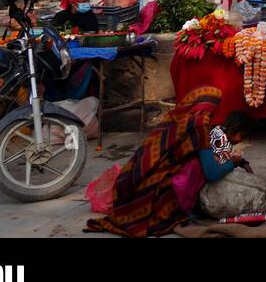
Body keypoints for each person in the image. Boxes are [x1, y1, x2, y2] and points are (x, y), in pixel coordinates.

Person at [85, 87, 246, 237]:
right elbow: (211, 172)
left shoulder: (174, 118)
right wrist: (233, 162)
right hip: (161, 188)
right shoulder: (198, 126)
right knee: (194, 171)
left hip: (135, 181)